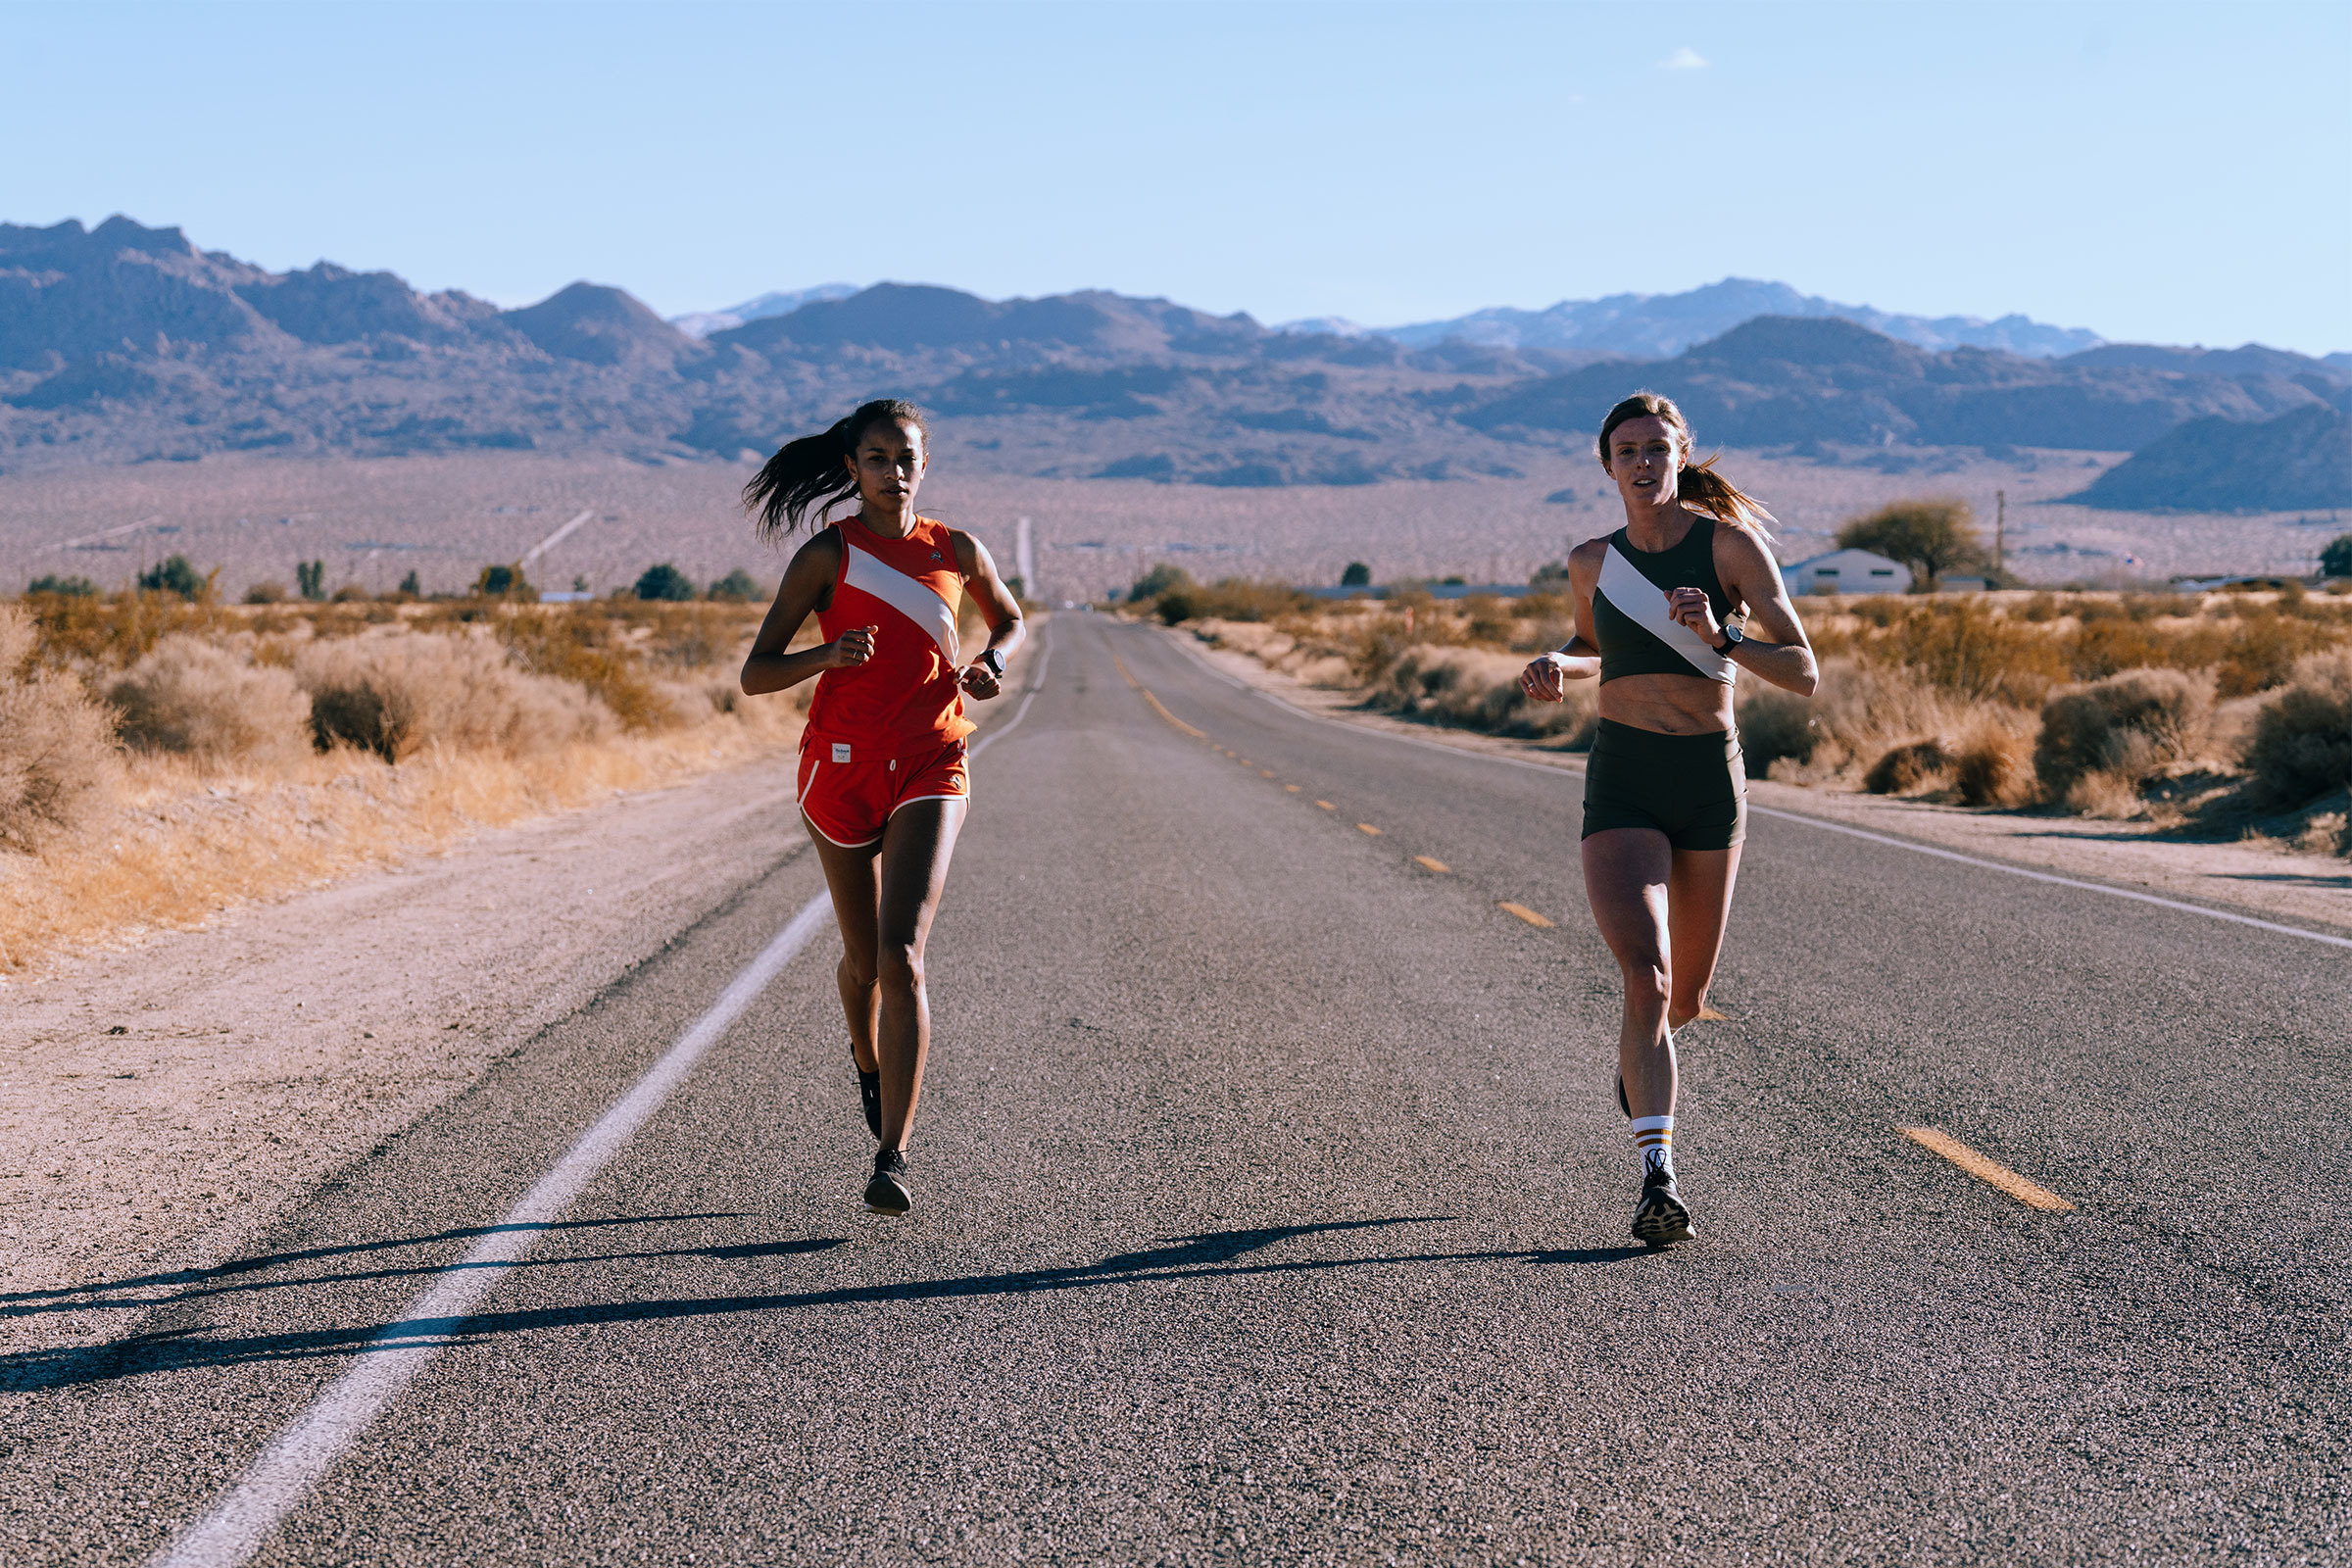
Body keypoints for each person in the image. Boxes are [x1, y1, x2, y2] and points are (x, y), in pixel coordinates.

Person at [1518, 392, 1818, 1247]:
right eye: (1628, 450)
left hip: (1707, 780)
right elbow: (1590, 646)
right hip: (1624, 777)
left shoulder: (1728, 545)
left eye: (1658, 447)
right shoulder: (1590, 561)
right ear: (1605, 464)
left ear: (1682, 454)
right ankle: (1658, 1177)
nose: (1643, 462)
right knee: (1644, 975)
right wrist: (1555, 662)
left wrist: (1723, 635)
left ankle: (1645, 1059)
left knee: (1684, 997)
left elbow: (1802, 671)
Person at [740, 399, 1024, 1216]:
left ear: (924, 464)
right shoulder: (826, 556)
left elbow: (1007, 617)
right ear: (853, 468)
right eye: (876, 458)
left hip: (933, 759)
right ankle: (865, 1058)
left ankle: (892, 1154)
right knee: (862, 966)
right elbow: (756, 673)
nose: (893, 472)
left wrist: (991, 658)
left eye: (906, 458)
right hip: (839, 769)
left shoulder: (956, 548)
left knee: (901, 957)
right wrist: (827, 653)